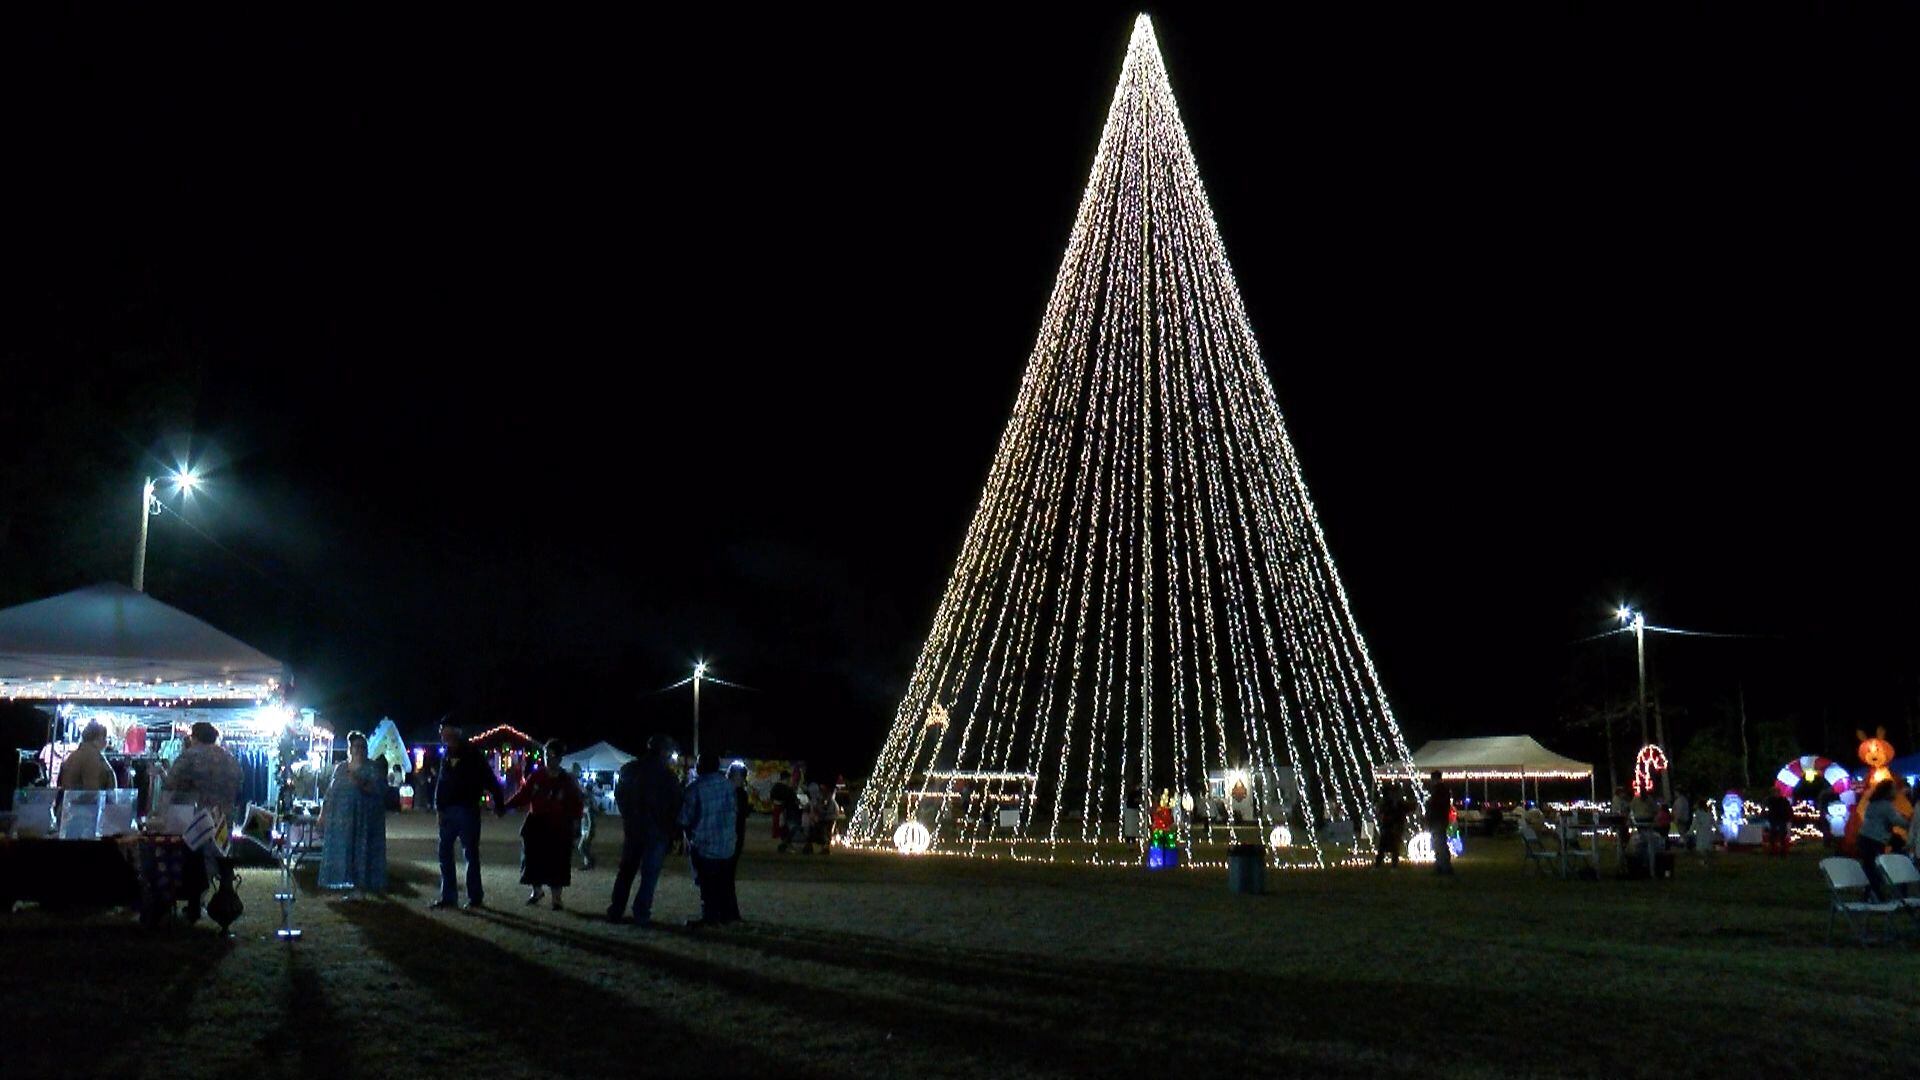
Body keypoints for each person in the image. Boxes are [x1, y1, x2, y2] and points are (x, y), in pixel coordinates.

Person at [165, 721, 245, 922]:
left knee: (195, 862)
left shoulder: (191, 756)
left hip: (198, 818)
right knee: (222, 862)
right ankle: (225, 903)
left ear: (194, 736)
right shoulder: (229, 758)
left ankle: (193, 905)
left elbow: (171, 783)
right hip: (224, 819)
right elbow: (240, 784)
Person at [431, 723, 506, 911]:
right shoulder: (446, 754)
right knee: (444, 853)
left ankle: (474, 896)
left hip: (467, 810)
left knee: (470, 854)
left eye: (444, 729)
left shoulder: (472, 754)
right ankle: (448, 896)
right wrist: (439, 807)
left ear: (455, 731)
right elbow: (442, 782)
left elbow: (489, 778)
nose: (441, 733)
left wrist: (499, 803)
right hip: (448, 811)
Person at [608, 736, 681, 925]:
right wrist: (671, 830)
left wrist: (628, 816)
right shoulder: (667, 776)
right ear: (664, 752)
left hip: (634, 829)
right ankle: (641, 913)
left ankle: (616, 910)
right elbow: (675, 805)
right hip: (657, 831)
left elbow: (620, 795)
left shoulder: (630, 769)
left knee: (626, 872)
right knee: (649, 876)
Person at [507, 740, 584, 910]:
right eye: (546, 755)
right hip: (536, 824)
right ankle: (536, 891)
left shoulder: (567, 780)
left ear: (560, 758)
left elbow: (576, 804)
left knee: (558, 862)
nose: (548, 758)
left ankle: (557, 899)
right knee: (533, 859)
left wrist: (576, 825)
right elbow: (523, 795)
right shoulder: (537, 776)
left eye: (552, 755)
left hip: (559, 826)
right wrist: (505, 806)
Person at [317, 731, 388, 898]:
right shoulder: (340, 768)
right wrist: (323, 814)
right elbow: (329, 793)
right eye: (355, 746)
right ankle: (345, 883)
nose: (359, 750)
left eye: (362, 747)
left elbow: (377, 790)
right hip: (341, 820)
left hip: (363, 820)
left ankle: (360, 887)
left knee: (361, 851)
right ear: (349, 749)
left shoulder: (372, 768)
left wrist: (358, 782)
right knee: (344, 851)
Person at [678, 753, 739, 927]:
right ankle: (725, 915)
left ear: (700, 766)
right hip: (727, 844)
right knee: (723, 883)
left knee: (707, 885)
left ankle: (710, 916)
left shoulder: (694, 788)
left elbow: (684, 818)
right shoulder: (729, 786)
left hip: (705, 846)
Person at [1858, 780, 1910, 898]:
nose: (1895, 792)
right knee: (1874, 866)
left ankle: (1869, 892)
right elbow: (1897, 820)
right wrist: (1911, 823)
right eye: (1893, 789)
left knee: (1869, 866)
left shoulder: (1872, 804)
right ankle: (1876, 893)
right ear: (1887, 791)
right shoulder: (1885, 806)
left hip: (1864, 837)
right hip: (1875, 839)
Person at [57, 721, 118, 790]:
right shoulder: (99, 761)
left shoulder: (72, 757)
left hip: (69, 799)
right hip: (92, 800)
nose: (106, 742)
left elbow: (61, 785)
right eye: (105, 738)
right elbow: (110, 792)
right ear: (99, 738)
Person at [1426, 773, 1454, 876]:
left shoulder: (1439, 791)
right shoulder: (1442, 790)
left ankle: (1444, 867)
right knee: (1439, 843)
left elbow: (1436, 805)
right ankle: (1440, 865)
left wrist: (1429, 805)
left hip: (1438, 820)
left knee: (1439, 844)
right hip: (1440, 820)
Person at [728, 761, 751, 876]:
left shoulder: (725, 790)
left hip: (735, 828)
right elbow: (744, 812)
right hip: (735, 828)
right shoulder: (740, 793)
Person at [1374, 787, 1406, 868]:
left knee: (1395, 848)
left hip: (1396, 827)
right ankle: (1378, 865)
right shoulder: (1387, 803)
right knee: (1382, 847)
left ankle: (1394, 866)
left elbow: (1403, 814)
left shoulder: (1400, 804)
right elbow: (1380, 811)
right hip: (1387, 826)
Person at [574, 766, 598, 870]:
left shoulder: (587, 807)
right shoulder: (586, 805)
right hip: (585, 829)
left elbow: (590, 820)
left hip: (588, 829)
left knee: (581, 847)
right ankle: (587, 864)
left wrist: (588, 831)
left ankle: (590, 861)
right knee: (584, 847)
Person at [770, 770, 797, 849]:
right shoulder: (787, 789)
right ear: (787, 779)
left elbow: (772, 797)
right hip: (784, 809)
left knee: (780, 825)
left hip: (777, 807)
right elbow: (792, 799)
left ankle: (784, 842)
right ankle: (785, 842)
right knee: (784, 826)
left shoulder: (776, 787)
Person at [1761, 789, 1793, 857]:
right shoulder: (1771, 800)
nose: (1776, 794)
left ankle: (1782, 851)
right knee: (1773, 835)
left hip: (1782, 819)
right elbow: (1764, 805)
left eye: (1777, 793)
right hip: (1773, 819)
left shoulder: (1783, 800)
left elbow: (1788, 809)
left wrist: (1788, 817)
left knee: (1782, 835)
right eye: (1775, 793)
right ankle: (1774, 850)